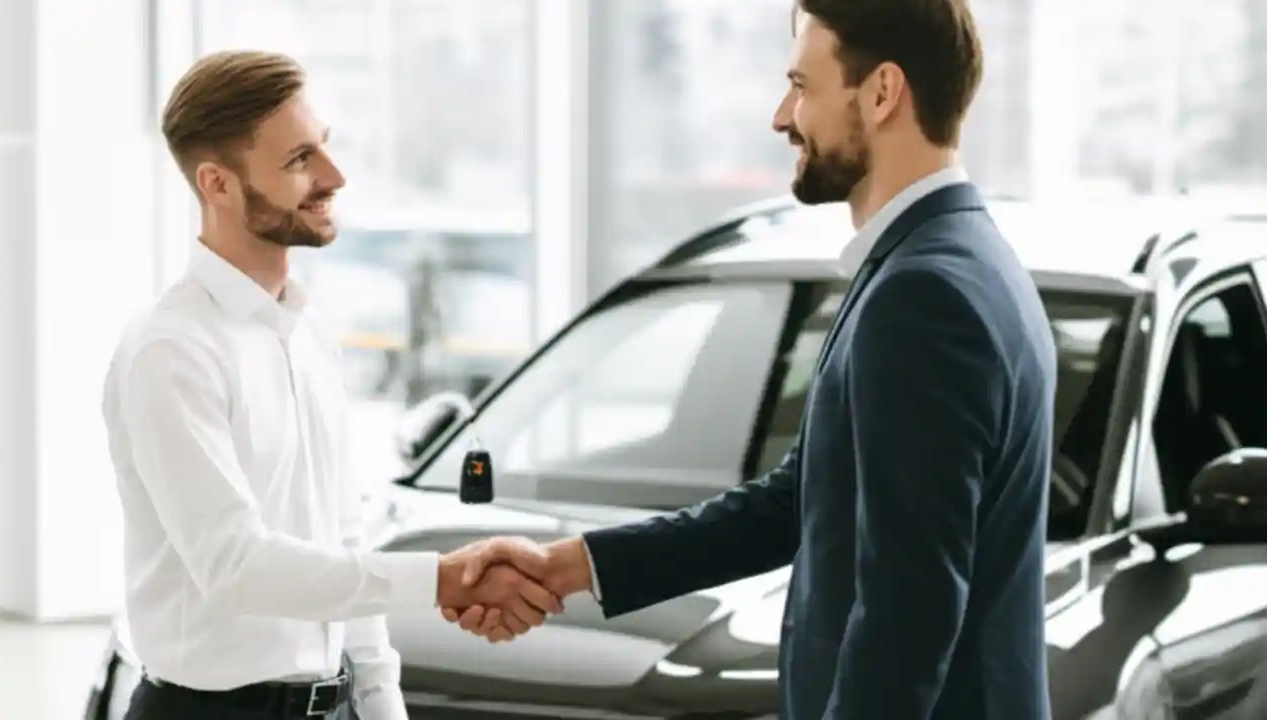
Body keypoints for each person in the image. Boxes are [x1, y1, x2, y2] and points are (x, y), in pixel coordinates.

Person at [442, 1, 1057, 718]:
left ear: (882, 93)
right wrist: (565, 567)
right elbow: (794, 504)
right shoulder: (955, 261)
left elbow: (908, 613)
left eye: (801, 85)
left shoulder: (923, 294)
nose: (782, 117)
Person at [101, 51, 559, 720]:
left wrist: (380, 700)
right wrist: (444, 579)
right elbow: (233, 565)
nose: (334, 176)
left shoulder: (308, 330)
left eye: (324, 147)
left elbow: (342, 540)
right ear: (217, 184)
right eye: (299, 160)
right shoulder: (171, 351)